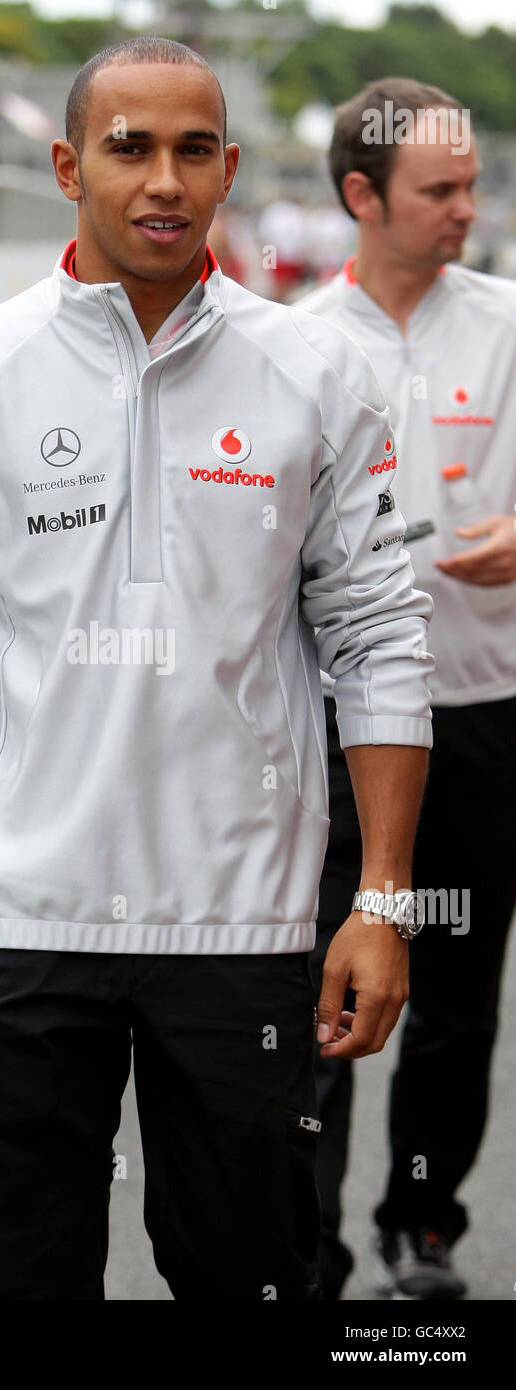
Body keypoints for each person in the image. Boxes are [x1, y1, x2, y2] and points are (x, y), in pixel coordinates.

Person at [0, 39, 435, 1302]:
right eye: (129, 148)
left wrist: (380, 900)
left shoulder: (320, 374)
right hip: (25, 920)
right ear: (68, 166)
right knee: (31, 1279)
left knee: (247, 1276)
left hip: (244, 921)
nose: (163, 180)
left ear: (226, 172)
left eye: (194, 150)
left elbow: (378, 636)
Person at [299, 78, 516, 1301]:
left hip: (486, 711)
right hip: (332, 727)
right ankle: (309, 1253)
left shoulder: (510, 319)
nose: (465, 211)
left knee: (455, 1001)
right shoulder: (293, 342)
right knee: (315, 994)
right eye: (440, 191)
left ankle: (421, 1228)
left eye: (472, 186)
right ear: (361, 197)